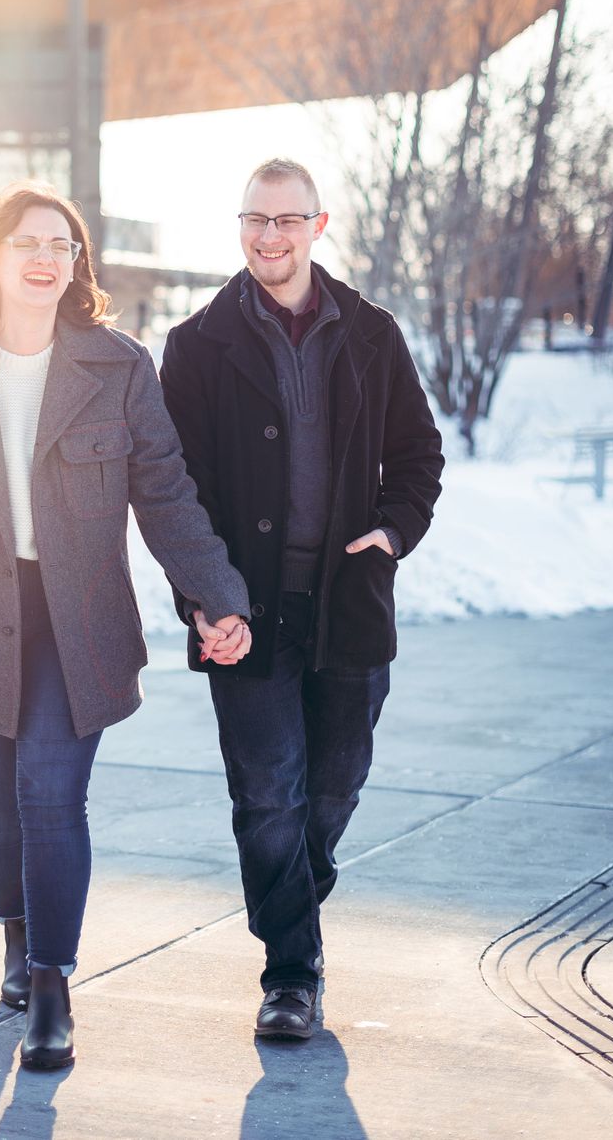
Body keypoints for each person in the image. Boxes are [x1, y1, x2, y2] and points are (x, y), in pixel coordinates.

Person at [0, 181, 249, 1070]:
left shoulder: (118, 367)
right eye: (28, 243)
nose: (45, 259)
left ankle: (50, 985)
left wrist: (217, 596)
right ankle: (15, 930)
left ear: (77, 266)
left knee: (49, 796)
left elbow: (165, 495)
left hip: (79, 624)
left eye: (61, 246)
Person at [159, 157, 443, 1040]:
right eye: (256, 219)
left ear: (318, 226)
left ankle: (296, 906)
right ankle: (290, 972)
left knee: (332, 790)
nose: (269, 236)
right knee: (267, 797)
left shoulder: (371, 333)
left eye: (287, 220)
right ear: (240, 226)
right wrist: (204, 602)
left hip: (347, 604)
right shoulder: (195, 345)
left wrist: (390, 534)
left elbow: (420, 457)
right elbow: (176, 492)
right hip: (244, 611)